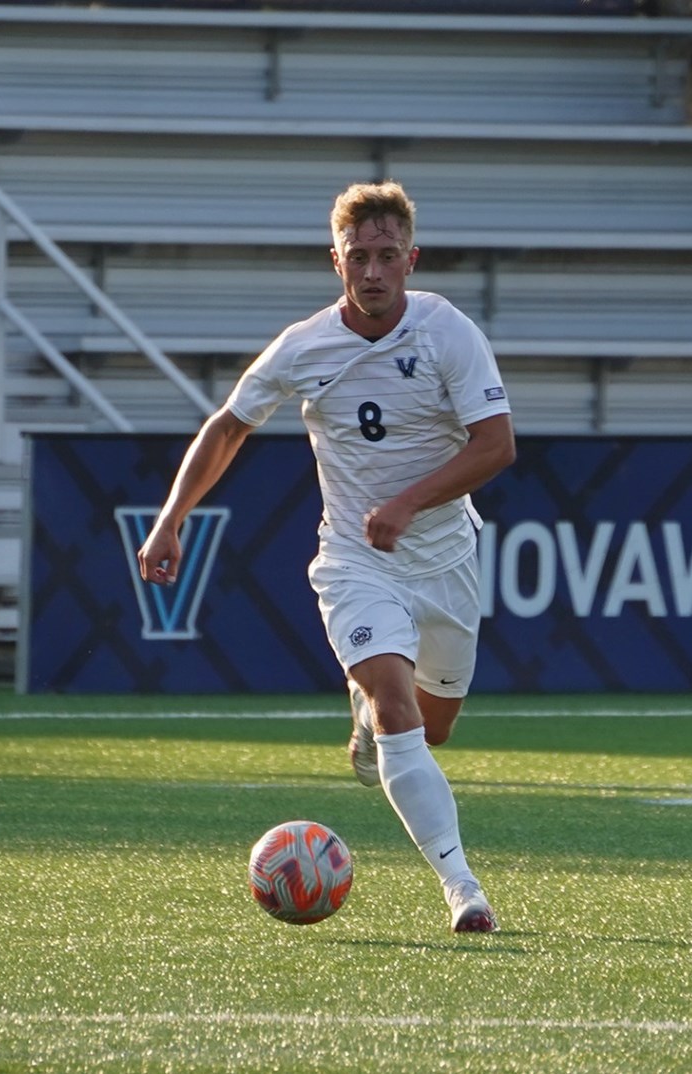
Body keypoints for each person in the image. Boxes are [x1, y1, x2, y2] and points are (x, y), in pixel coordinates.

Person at [137, 180, 515, 934]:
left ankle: (370, 722)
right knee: (399, 710)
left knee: (433, 731)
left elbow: (497, 446)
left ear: (412, 259)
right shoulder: (304, 345)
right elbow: (226, 427)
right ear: (333, 260)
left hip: (444, 560)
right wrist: (171, 518)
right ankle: (463, 888)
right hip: (354, 560)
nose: (372, 272)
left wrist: (409, 503)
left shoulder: (448, 332)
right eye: (357, 257)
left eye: (386, 257)